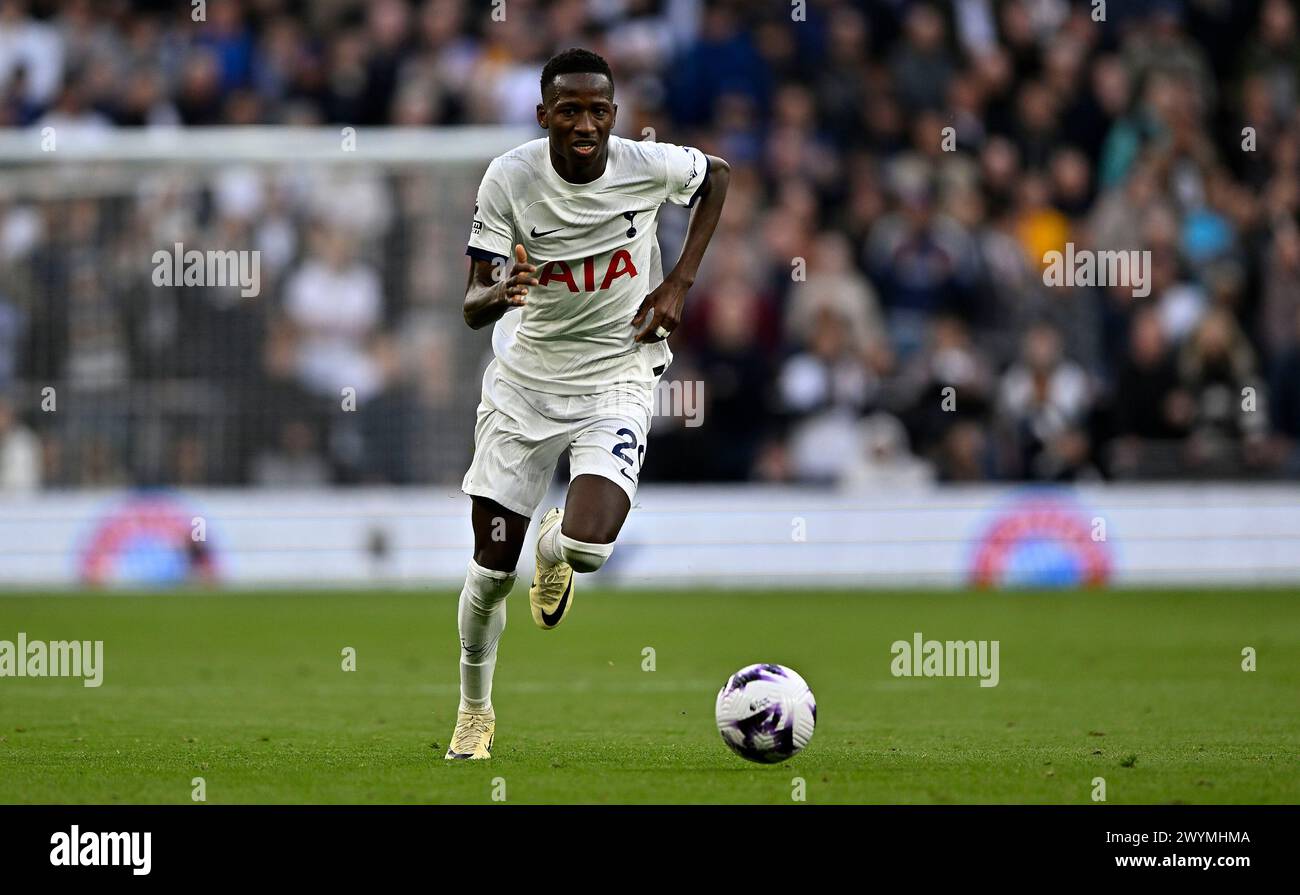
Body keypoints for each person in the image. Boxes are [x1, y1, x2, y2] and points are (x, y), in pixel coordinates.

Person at [447, 48, 729, 759]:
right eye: (568, 109)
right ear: (544, 115)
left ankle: (557, 545)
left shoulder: (647, 165)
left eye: (597, 110)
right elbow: (473, 301)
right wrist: (499, 292)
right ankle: (474, 711)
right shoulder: (509, 178)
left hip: (616, 374)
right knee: (488, 574)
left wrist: (678, 284)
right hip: (525, 383)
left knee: (589, 549)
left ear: (614, 115)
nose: (584, 123)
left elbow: (717, 178)